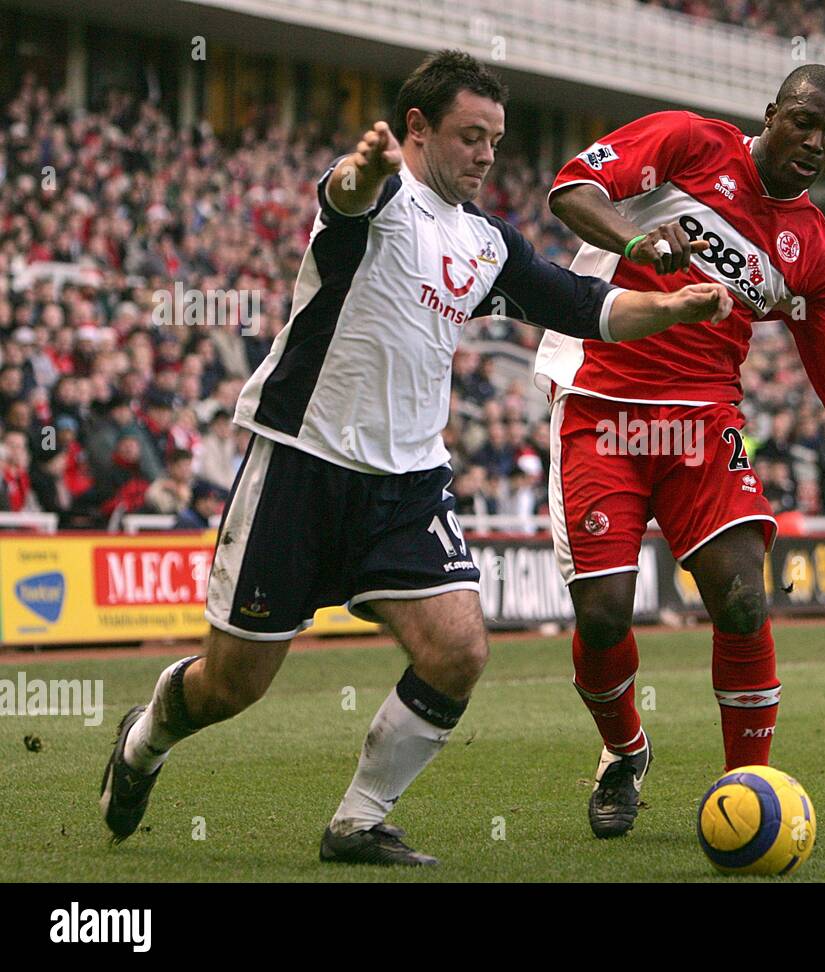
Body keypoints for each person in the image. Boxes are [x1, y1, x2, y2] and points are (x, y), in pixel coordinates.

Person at [99, 49, 733, 867]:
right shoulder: (379, 192)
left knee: (459, 649)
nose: (484, 155)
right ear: (417, 129)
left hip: (407, 483)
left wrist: (673, 307)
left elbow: (579, 304)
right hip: (302, 462)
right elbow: (346, 194)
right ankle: (144, 742)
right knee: (232, 686)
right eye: (471, 136)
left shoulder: (485, 242)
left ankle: (358, 821)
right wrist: (364, 171)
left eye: (496, 142)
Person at [534, 64, 825, 838]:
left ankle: (744, 787)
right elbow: (571, 189)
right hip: (599, 399)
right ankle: (624, 752)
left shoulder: (814, 252)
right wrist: (639, 244)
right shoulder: (687, 143)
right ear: (770, 115)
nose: (816, 143)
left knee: (744, 599)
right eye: (804, 123)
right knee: (607, 614)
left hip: (704, 420)